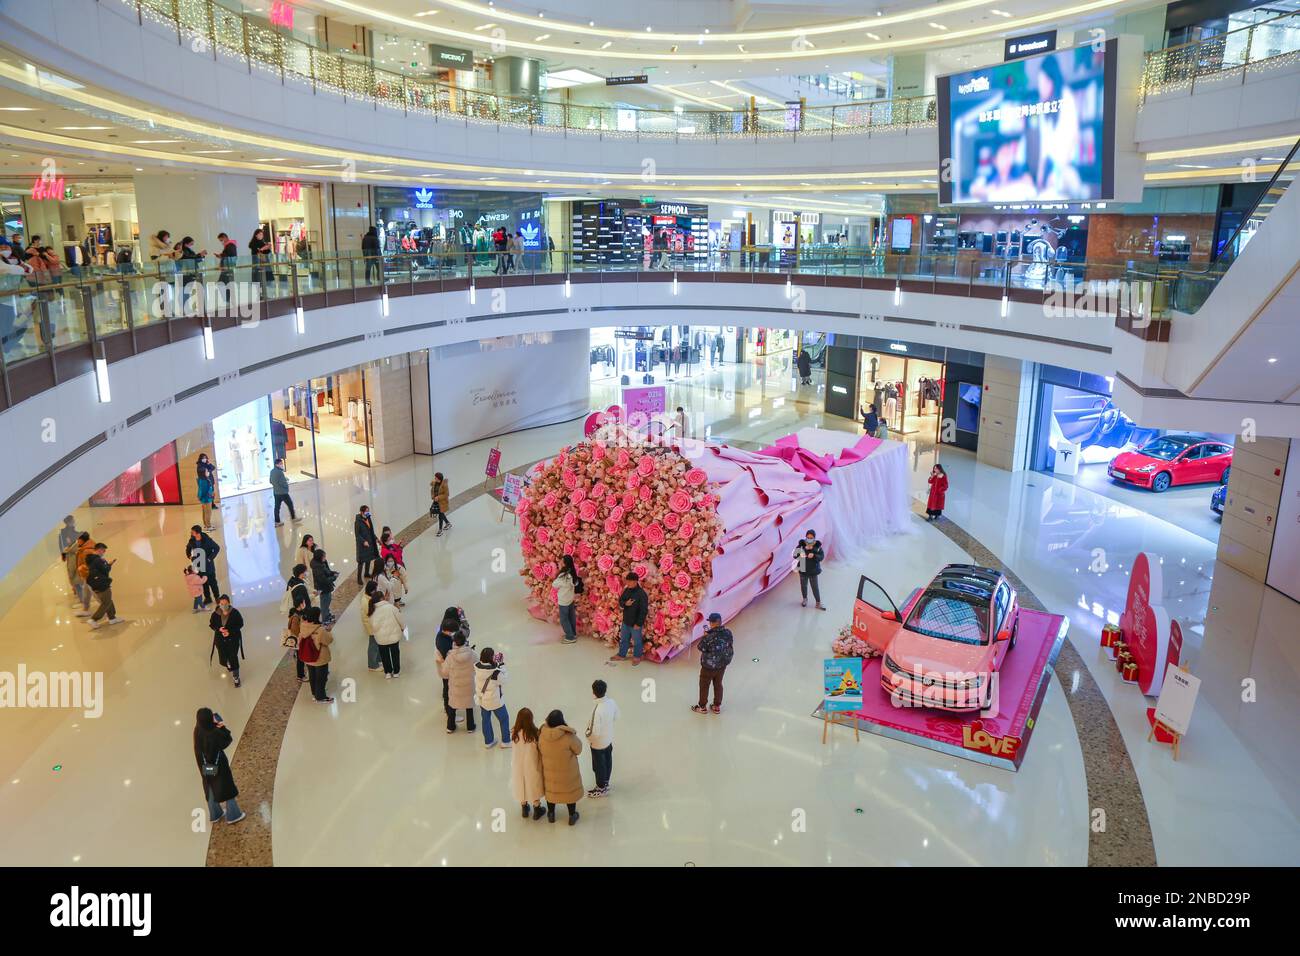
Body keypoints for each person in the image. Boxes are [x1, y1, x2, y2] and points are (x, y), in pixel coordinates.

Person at [194, 708, 245, 825]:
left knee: (210, 786)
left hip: (205, 765)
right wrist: (222, 726)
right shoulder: (214, 732)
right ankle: (233, 815)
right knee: (226, 787)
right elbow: (227, 740)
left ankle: (215, 814)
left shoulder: (197, 730)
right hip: (219, 764)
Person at [538, 710, 583, 825]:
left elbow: (540, 750)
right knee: (570, 794)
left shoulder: (542, 736)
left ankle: (551, 814)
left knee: (552, 792)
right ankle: (572, 815)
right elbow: (579, 749)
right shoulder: (568, 736)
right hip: (567, 773)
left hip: (550, 773)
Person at [692, 612, 734, 715]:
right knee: (718, 683)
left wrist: (705, 636)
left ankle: (702, 707)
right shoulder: (728, 632)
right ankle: (716, 706)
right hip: (722, 664)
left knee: (704, 685)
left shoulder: (709, 637)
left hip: (709, 666)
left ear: (712, 623)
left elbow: (700, 647)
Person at [585, 679, 619, 797]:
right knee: (608, 760)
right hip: (608, 739)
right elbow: (616, 716)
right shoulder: (612, 702)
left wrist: (587, 734)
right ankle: (606, 782)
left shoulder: (597, 710)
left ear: (593, 692)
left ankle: (600, 787)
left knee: (599, 765)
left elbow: (593, 733)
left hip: (598, 744)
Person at [510, 708, 546, 820]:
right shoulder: (534, 734)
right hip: (531, 764)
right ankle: (537, 808)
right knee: (533, 784)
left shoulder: (514, 733)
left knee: (521, 785)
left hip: (518, 765)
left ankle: (524, 808)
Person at [474, 647, 510, 749]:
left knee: (485, 720)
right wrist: (502, 666)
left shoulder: (478, 668)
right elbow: (505, 680)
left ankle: (488, 741)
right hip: (495, 700)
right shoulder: (495, 672)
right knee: (504, 719)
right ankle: (506, 741)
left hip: (482, 700)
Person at [609, 571, 648, 665]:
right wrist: (625, 603)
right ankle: (621, 655)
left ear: (635, 582)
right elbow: (621, 600)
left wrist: (638, 624)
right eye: (627, 581)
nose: (627, 583)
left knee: (637, 641)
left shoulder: (641, 594)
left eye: (629, 581)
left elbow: (643, 611)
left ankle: (637, 656)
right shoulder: (627, 590)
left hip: (635, 623)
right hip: (626, 621)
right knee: (624, 639)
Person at [297, 607, 334, 703]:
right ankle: (320, 697)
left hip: (308, 657)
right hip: (320, 658)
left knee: (312, 676)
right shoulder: (320, 630)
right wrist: (328, 631)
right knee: (321, 678)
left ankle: (314, 693)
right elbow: (328, 640)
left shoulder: (303, 626)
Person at [443, 632, 477, 733]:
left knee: (453, 704)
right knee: (469, 704)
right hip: (468, 685)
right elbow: (477, 667)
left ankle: (450, 726)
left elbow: (445, 672)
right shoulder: (473, 654)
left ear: (454, 642)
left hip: (456, 686)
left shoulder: (450, 656)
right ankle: (470, 726)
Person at [84, 542, 123, 629]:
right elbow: (105, 570)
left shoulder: (90, 559)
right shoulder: (98, 560)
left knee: (108, 600)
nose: (104, 552)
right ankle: (93, 619)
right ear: (99, 549)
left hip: (95, 584)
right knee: (106, 602)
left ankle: (112, 618)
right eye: (104, 550)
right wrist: (109, 565)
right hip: (102, 583)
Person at [208, 595, 245, 688]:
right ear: (219, 604)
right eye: (221, 604)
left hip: (232, 640)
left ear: (229, 603)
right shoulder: (215, 614)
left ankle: (236, 677)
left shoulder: (235, 613)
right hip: (220, 640)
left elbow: (240, 624)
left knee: (233, 657)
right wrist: (219, 629)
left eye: (225, 603)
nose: (223, 605)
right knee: (224, 656)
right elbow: (211, 624)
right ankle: (228, 664)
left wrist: (230, 632)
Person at [368, 588, 405, 679]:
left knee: (384, 656)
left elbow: (373, 625)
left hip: (381, 639)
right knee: (395, 654)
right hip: (394, 635)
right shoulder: (391, 607)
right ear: (382, 598)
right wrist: (402, 628)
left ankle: (388, 672)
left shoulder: (372, 611)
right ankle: (396, 672)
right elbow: (400, 619)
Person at [186, 526, 222, 607]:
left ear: (197, 533)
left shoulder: (207, 540)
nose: (191, 533)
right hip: (198, 565)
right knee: (203, 582)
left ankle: (217, 597)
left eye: (192, 532)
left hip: (208, 565)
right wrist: (190, 556)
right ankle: (208, 598)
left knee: (212, 582)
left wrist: (209, 559)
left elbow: (217, 548)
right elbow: (188, 548)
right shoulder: (192, 540)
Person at [553, 554, 580, 645]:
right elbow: (575, 583)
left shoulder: (563, 575)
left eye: (562, 561)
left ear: (564, 563)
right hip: (570, 599)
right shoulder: (572, 573)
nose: (560, 562)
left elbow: (554, 585)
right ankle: (573, 633)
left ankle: (570, 637)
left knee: (564, 619)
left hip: (564, 600)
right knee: (571, 617)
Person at [794, 530, 825, 610]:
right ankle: (805, 599)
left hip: (813, 570)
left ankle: (818, 603)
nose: (809, 539)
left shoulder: (817, 547)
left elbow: (821, 557)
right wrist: (801, 553)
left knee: (815, 587)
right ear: (805, 537)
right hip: (803, 569)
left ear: (814, 538)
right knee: (803, 586)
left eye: (811, 538)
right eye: (808, 537)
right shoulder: (801, 545)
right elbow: (795, 555)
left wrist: (814, 555)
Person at [310, 548, 339, 626]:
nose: (325, 558)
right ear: (319, 557)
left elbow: (326, 571)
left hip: (325, 587)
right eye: (324, 557)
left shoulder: (320, 563)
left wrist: (333, 573)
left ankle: (327, 615)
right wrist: (334, 577)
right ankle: (325, 619)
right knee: (325, 603)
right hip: (323, 587)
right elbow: (323, 580)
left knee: (327, 601)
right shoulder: (318, 567)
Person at [360, 580, 383, 672]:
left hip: (373, 625)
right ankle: (372, 665)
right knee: (373, 645)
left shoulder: (368, 598)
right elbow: (371, 613)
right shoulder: (366, 601)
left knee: (377, 643)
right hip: (371, 626)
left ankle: (378, 659)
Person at [353, 504, 379, 584]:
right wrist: (363, 541)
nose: (368, 513)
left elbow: (371, 531)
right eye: (366, 511)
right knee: (361, 562)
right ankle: (359, 578)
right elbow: (357, 535)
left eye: (368, 511)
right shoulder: (358, 522)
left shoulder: (368, 519)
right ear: (362, 512)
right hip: (362, 545)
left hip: (370, 543)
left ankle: (366, 573)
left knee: (368, 559)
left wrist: (376, 538)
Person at [269, 458, 299, 526]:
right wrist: (286, 484)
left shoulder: (272, 471)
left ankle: (277, 521)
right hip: (283, 492)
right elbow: (283, 483)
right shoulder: (280, 472)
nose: (282, 465)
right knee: (290, 504)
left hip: (276, 492)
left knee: (277, 507)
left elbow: (270, 481)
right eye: (280, 464)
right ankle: (293, 517)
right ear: (277, 464)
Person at [195, 453, 217, 531]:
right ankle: (208, 526)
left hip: (205, 497)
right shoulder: (204, 480)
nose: (208, 473)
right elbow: (205, 490)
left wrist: (208, 464)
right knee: (208, 511)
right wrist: (209, 496)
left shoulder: (203, 478)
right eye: (207, 472)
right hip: (206, 498)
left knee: (205, 511)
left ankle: (206, 525)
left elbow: (212, 468)